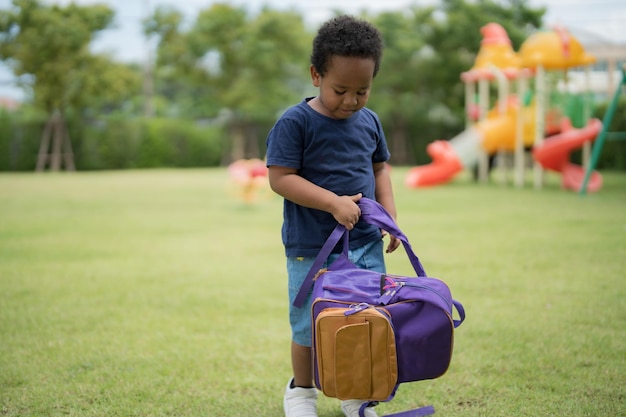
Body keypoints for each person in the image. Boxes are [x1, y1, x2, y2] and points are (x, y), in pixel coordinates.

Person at [265, 15, 401, 417]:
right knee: (308, 326)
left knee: (362, 321)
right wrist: (332, 202)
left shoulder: (370, 121)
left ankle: (355, 392)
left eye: (362, 90)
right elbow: (280, 178)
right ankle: (301, 392)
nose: (351, 100)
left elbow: (380, 169)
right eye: (340, 89)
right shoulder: (296, 123)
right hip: (311, 249)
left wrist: (389, 215)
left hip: (364, 244)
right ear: (315, 75)